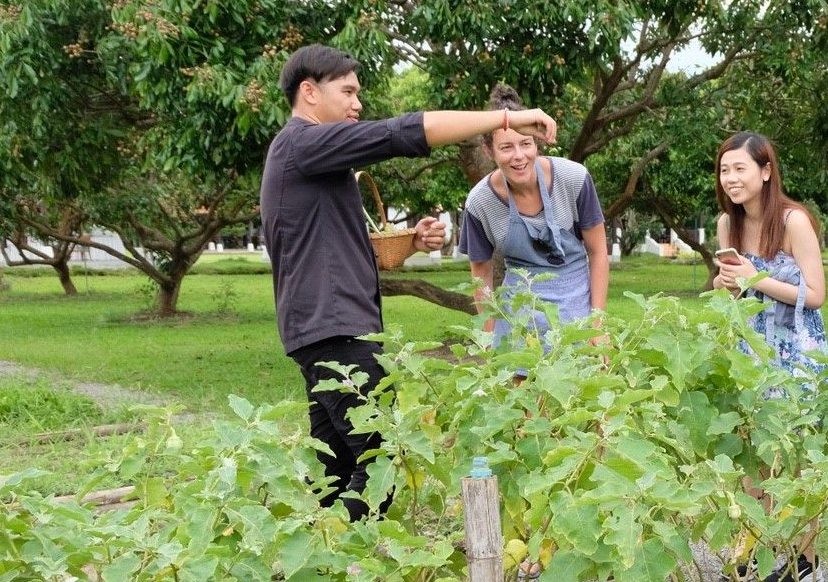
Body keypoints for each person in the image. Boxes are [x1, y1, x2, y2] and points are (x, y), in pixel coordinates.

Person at [260, 44, 557, 520]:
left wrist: (412, 244)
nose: (358, 104)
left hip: (320, 327)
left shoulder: (311, 158)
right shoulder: (303, 143)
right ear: (309, 92)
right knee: (382, 461)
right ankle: (356, 563)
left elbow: (327, 249)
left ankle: (325, 565)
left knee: (336, 467)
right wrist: (503, 120)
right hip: (335, 330)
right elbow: (406, 131)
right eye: (349, 92)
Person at [714, 132, 828, 582]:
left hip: (797, 349)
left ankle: (807, 559)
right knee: (753, 449)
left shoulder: (794, 221)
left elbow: (817, 295)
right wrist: (728, 283)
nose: (731, 178)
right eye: (725, 170)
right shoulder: (728, 224)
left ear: (765, 171)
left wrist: (755, 277)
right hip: (752, 347)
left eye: (740, 168)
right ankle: (758, 549)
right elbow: (734, 289)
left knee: (796, 453)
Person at [460, 85, 609, 345]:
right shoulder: (479, 202)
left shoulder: (574, 179)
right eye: (506, 147)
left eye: (526, 144)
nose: (519, 156)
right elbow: (481, 273)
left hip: (577, 308)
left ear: (537, 143)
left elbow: (597, 252)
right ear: (488, 151)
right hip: (517, 316)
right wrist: (489, 336)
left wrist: (597, 325)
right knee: (521, 383)